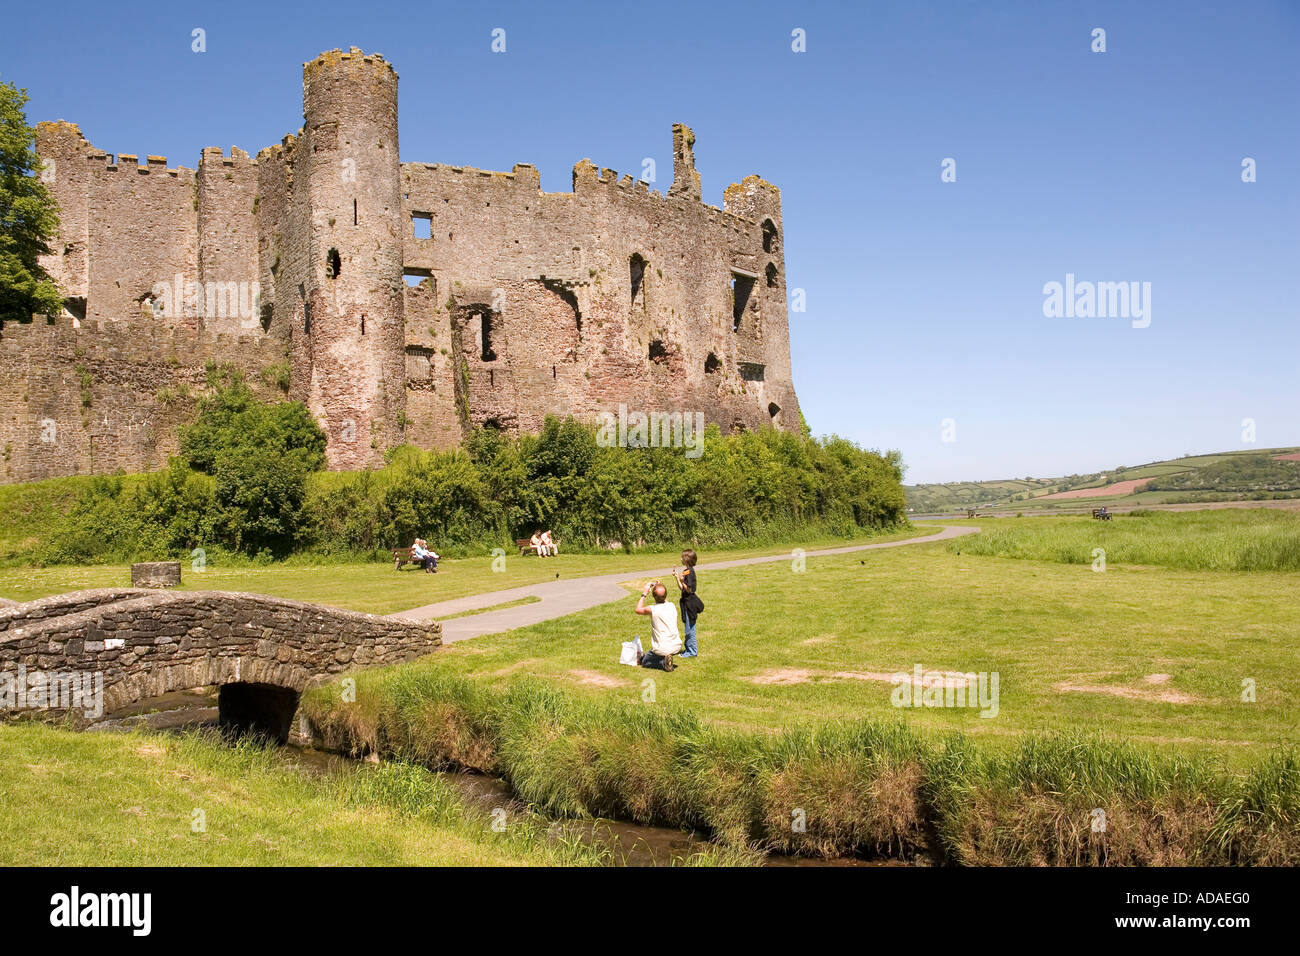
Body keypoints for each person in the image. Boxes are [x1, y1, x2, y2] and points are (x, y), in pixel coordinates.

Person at [633, 580, 681, 671]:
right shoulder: (672, 606)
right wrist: (659, 586)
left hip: (661, 648)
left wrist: (644, 593)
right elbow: (663, 598)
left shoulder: (652, 609)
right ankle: (666, 658)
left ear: (654, 596)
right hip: (676, 646)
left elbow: (638, 609)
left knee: (645, 662)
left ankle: (663, 663)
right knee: (649, 655)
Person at [672, 549, 700, 658]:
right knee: (687, 626)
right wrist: (677, 578)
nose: (680, 559)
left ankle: (692, 652)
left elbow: (688, 590)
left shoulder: (690, 572)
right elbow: (682, 588)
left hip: (690, 603)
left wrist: (683, 581)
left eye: (682, 557)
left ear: (687, 559)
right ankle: (688, 649)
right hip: (685, 601)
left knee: (690, 628)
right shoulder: (686, 571)